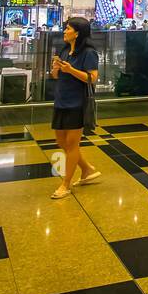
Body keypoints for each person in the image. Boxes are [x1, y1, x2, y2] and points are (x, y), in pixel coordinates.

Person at [49, 16, 102, 200]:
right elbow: (56, 76)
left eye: (68, 29)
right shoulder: (64, 51)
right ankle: (86, 169)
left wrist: (71, 70)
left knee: (72, 144)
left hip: (77, 103)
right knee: (61, 142)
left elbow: (92, 78)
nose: (65, 31)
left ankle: (65, 184)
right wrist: (55, 69)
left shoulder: (88, 53)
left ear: (77, 33)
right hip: (61, 101)